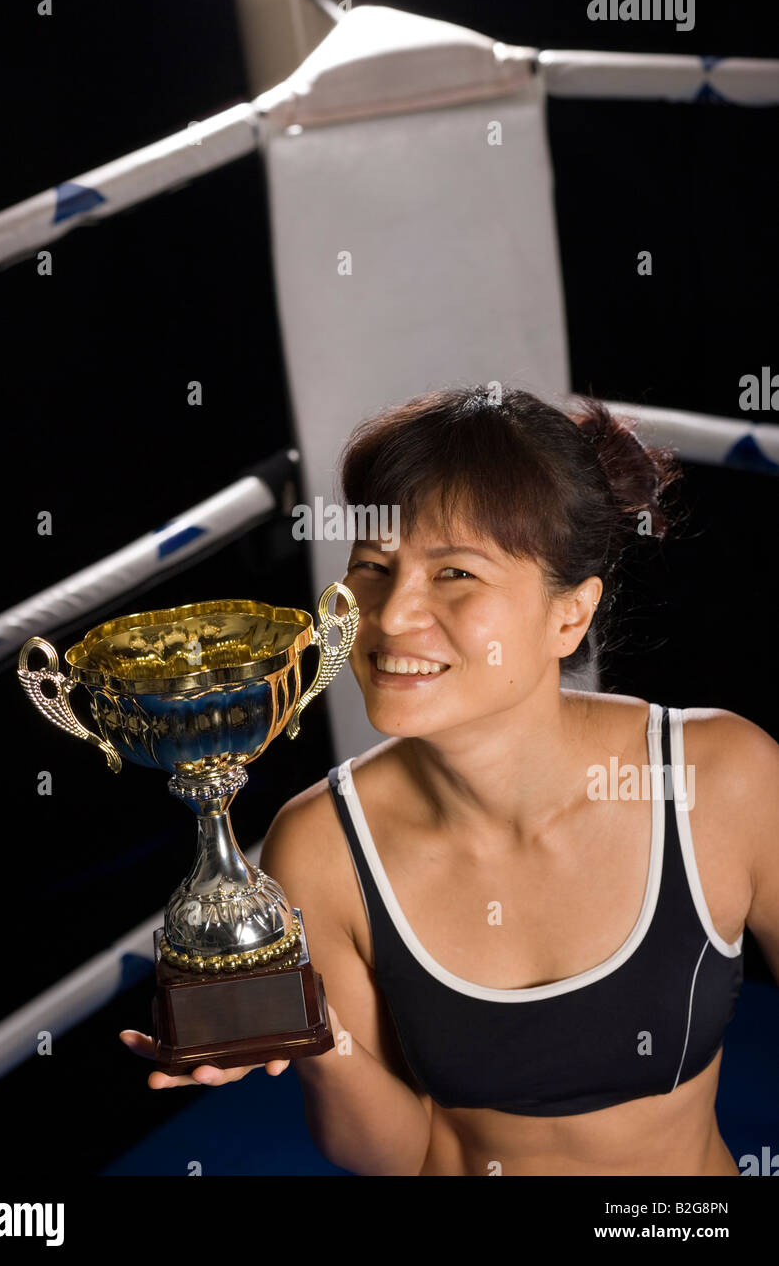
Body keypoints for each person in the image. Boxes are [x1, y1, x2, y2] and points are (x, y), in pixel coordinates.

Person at [120, 384, 779, 1176]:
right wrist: (318, 1039)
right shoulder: (322, 848)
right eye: (372, 566)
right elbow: (402, 1155)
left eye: (455, 574)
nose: (393, 614)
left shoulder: (722, 780)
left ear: (569, 615)